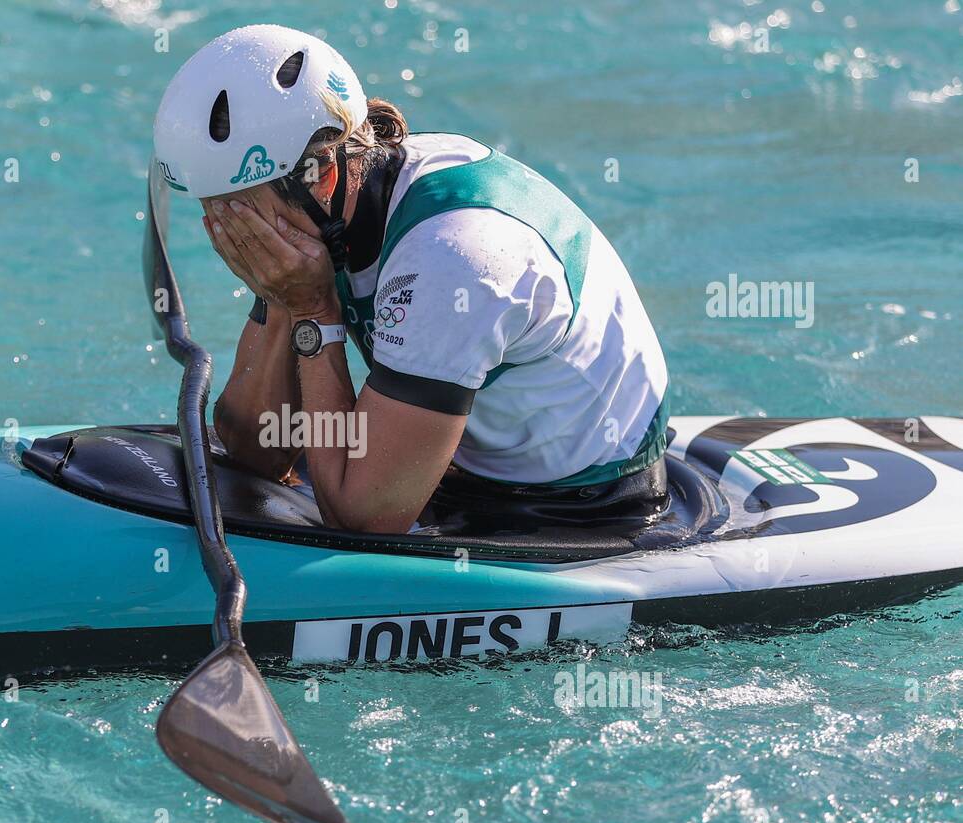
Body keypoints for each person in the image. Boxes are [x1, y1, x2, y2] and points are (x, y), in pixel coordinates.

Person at [152, 24, 669, 535]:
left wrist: (314, 313)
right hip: (460, 461)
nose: (227, 232)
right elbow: (254, 450)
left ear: (322, 175)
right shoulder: (328, 210)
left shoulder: (453, 259)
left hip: (574, 506)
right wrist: (286, 300)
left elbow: (366, 520)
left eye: (239, 210)